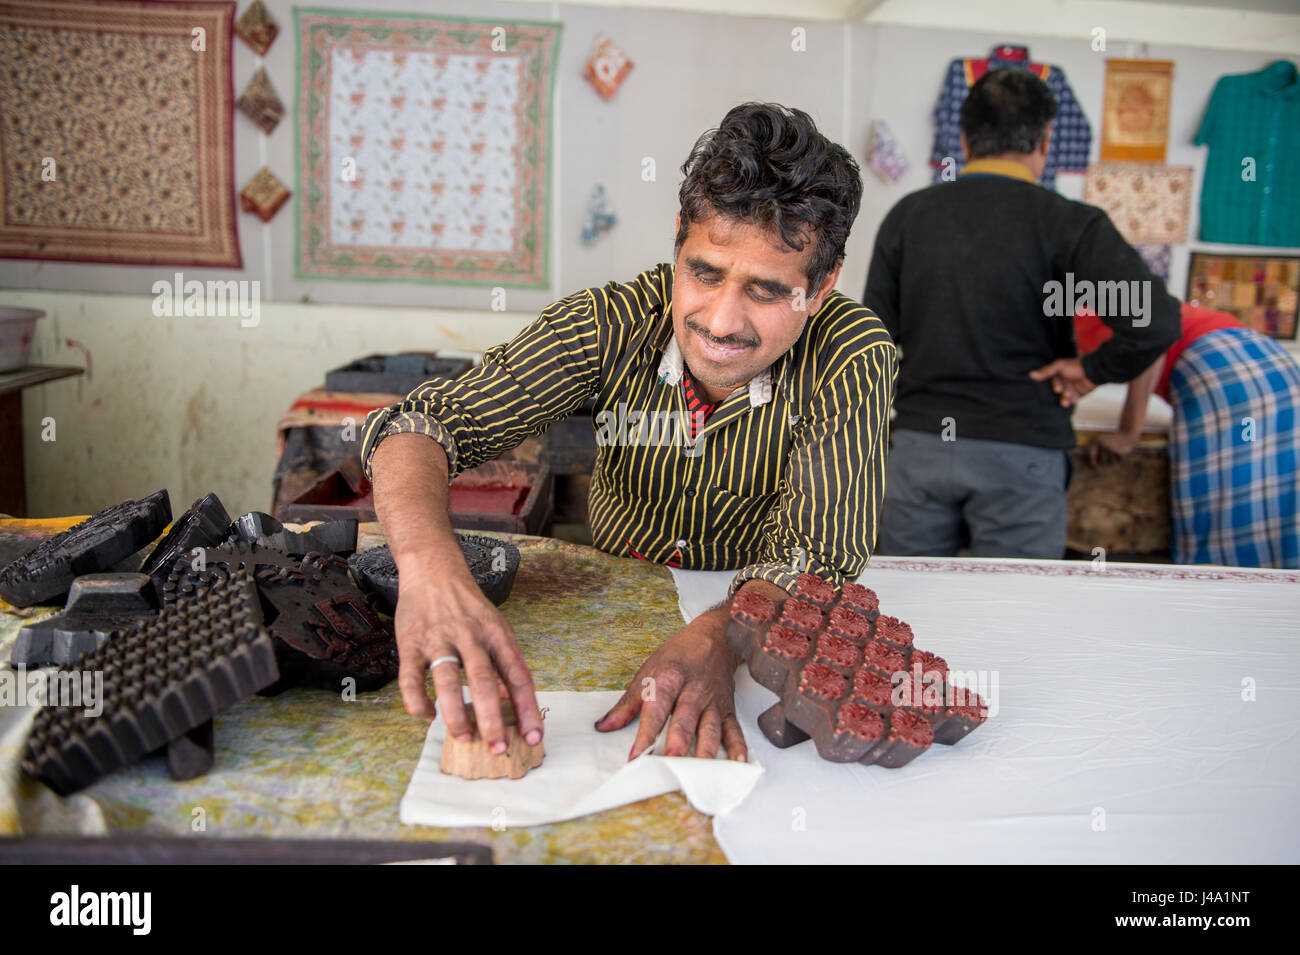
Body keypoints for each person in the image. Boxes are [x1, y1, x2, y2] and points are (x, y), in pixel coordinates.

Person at [361, 103, 896, 762]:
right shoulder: (608, 323)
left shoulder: (850, 351)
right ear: (678, 238)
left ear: (820, 287)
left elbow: (816, 556)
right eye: (704, 273)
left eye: (765, 291)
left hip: (757, 623)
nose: (721, 321)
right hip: (607, 606)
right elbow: (419, 424)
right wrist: (427, 568)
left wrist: (718, 637)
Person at [864, 67, 1181, 559]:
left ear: (965, 140)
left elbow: (873, 343)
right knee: (1013, 615)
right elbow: (1155, 320)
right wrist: (1092, 370)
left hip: (918, 448)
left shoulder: (910, 216)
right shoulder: (1069, 225)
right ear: (1046, 140)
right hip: (1021, 454)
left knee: (913, 614)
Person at [1078, 303, 1300, 568]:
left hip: (1224, 369)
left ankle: (1228, 587)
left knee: (1230, 496)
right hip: (1273, 365)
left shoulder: (1081, 313)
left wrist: (1128, 433)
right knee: (1280, 492)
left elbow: (1150, 346)